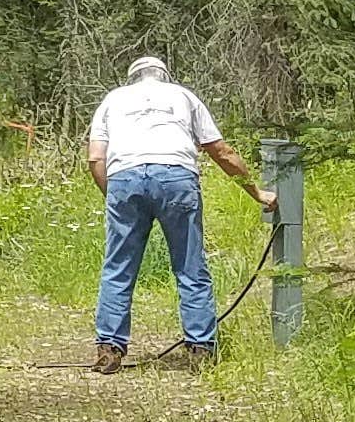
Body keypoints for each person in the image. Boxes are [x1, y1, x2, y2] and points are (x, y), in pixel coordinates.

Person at [86, 56, 268, 371]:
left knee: (118, 267)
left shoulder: (113, 100)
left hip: (124, 178)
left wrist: (114, 196)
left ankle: (110, 349)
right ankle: (200, 350)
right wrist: (257, 193)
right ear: (165, 76)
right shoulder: (183, 96)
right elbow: (222, 152)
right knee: (190, 265)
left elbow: (95, 158)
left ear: (132, 78)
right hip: (176, 177)